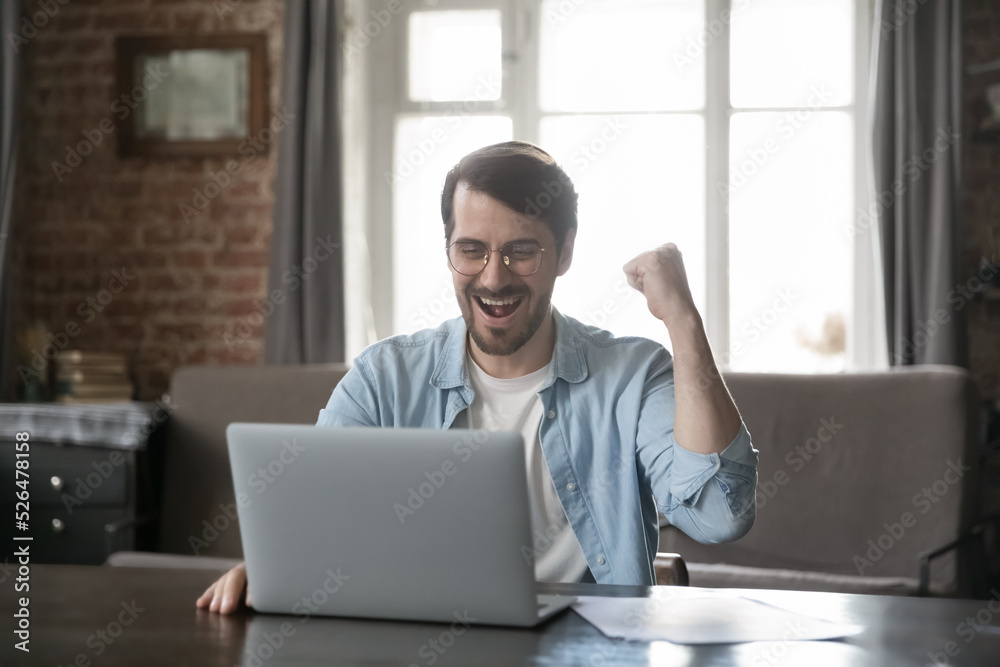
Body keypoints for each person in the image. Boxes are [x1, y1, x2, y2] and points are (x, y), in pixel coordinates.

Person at [197, 140, 759, 614]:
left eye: (521, 251)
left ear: (564, 252)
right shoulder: (382, 379)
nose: (493, 279)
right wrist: (273, 569)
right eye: (471, 250)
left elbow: (720, 515)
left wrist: (683, 321)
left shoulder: (634, 377)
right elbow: (315, 519)